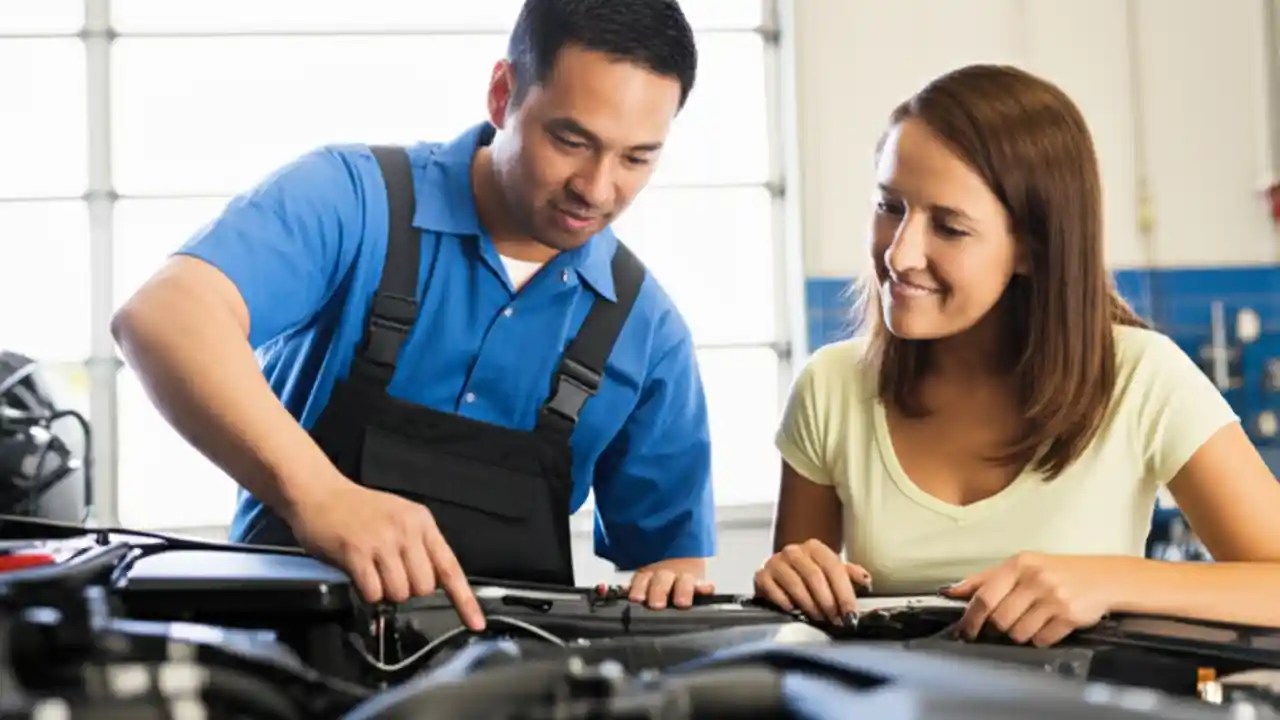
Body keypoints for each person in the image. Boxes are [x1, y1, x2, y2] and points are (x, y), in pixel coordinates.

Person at [112, 0, 718, 631]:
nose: (596, 187)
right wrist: (319, 494)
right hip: (278, 665)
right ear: (503, 93)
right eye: (571, 141)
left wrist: (674, 585)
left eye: (636, 159)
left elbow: (674, 567)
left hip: (513, 688)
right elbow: (163, 316)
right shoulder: (350, 201)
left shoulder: (650, 334)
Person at [755, 64, 1280, 646]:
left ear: (1032, 248)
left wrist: (1111, 580)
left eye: (949, 227)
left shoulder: (1142, 376)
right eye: (889, 206)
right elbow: (797, 637)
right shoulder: (830, 387)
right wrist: (787, 581)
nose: (900, 255)